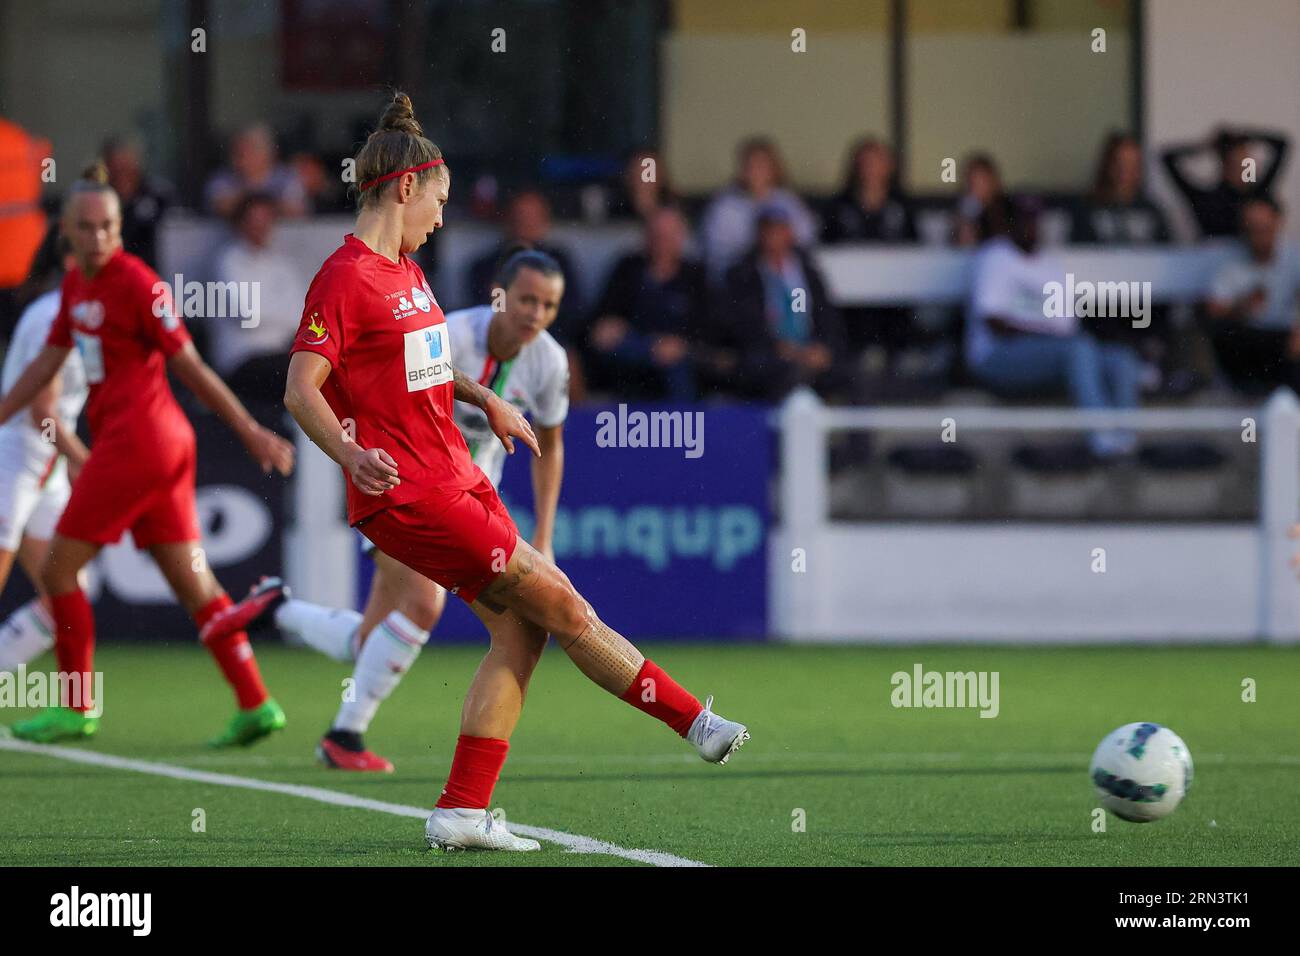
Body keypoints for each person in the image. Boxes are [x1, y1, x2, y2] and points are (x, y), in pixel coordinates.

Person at [274, 92, 747, 852]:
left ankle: (462, 811)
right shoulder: (346, 277)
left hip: (461, 478)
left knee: (523, 635)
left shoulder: (408, 273)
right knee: (563, 604)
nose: (440, 215)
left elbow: (425, 371)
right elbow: (301, 389)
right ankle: (696, 720)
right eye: (439, 199)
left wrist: (483, 394)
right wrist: (353, 454)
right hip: (415, 493)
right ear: (405, 188)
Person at [206, 248, 571, 772]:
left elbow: (550, 446)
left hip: (464, 500)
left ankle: (277, 609)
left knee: (369, 642)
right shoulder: (448, 332)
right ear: (500, 294)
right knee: (424, 605)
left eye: (549, 305)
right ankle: (345, 735)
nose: (536, 314)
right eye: (527, 299)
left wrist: (548, 532)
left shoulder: (550, 361)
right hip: (401, 482)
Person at [0, 162, 296, 745]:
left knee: (58, 569)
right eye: (87, 227)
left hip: (139, 445)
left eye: (108, 226)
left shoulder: (138, 284)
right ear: (67, 231)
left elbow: (191, 366)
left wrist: (246, 429)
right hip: (157, 449)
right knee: (193, 582)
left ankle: (76, 706)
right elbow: (45, 366)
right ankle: (256, 702)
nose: (99, 237)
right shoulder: (76, 289)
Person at [965, 197, 1140, 458]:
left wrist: (1061, 340)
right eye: (1024, 218)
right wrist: (1049, 336)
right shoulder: (996, 256)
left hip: (1052, 355)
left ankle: (1126, 439)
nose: (1031, 225)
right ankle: (1101, 437)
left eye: (1035, 219)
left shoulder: (1049, 263)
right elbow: (996, 325)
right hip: (996, 356)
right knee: (1077, 350)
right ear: (1010, 223)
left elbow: (1066, 325)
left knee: (1121, 360)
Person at [0, 234, 88, 673]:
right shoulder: (52, 315)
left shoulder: (82, 315)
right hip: (13, 458)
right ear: (71, 262)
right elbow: (41, 412)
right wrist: (87, 460)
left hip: (45, 468)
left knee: (67, 594)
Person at [712, 205, 849, 402]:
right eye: (768, 230)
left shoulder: (807, 275)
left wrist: (822, 347)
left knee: (854, 375)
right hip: (767, 355)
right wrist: (780, 347)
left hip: (809, 351)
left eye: (779, 229)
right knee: (788, 371)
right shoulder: (743, 275)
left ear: (790, 233)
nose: (774, 236)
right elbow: (743, 324)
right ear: (759, 234)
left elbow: (825, 318)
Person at [583, 205, 708, 401]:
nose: (662, 242)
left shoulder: (696, 276)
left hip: (680, 355)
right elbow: (604, 317)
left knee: (677, 364)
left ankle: (680, 426)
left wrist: (682, 344)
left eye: (668, 236)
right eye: (656, 235)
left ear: (681, 238)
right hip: (635, 348)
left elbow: (709, 326)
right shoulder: (627, 268)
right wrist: (610, 324)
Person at [210, 192, 308, 402]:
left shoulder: (282, 264)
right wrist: (282, 311)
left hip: (282, 355)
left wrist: (265, 311)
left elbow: (302, 317)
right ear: (240, 224)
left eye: (266, 220)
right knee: (301, 379)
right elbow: (247, 315)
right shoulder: (227, 261)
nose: (260, 227)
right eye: (254, 220)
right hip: (241, 361)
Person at [1204, 197, 1300, 395]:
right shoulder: (1232, 264)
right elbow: (1214, 310)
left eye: (1264, 228)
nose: (1259, 236)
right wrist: (1242, 307)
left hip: (1288, 341)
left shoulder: (1294, 258)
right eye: (1253, 229)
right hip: (1253, 344)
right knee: (1225, 334)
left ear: (1277, 223)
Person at [700, 137, 818, 285]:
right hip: (737, 282)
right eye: (751, 166)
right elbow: (715, 253)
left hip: (782, 278)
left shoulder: (788, 202)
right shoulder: (724, 206)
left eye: (762, 165)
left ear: (774, 169)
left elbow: (806, 239)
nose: (756, 172)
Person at [466, 189, 582, 333]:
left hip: (552, 336)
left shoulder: (559, 262)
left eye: (534, 217)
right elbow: (487, 313)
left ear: (545, 221)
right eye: (520, 216)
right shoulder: (485, 267)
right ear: (507, 219)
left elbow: (571, 311)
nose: (526, 223)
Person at [1161, 126, 1290, 238]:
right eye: (1238, 164)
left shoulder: (1257, 194)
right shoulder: (1207, 200)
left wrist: (1244, 136)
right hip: (1215, 262)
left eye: (1248, 163)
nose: (1245, 169)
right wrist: (1207, 146)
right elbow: (1168, 158)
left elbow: (1282, 144)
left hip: (1252, 264)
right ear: (1225, 167)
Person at [821, 137, 917, 244]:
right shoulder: (839, 208)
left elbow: (916, 247)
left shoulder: (902, 207)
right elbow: (825, 247)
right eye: (866, 163)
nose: (871, 170)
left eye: (876, 163)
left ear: (890, 167)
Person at [205, 122, 308, 220]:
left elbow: (295, 210)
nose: (236, 160)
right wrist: (271, 203)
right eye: (234, 153)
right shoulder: (221, 178)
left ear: (266, 154)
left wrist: (243, 202)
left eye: (243, 153)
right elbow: (222, 207)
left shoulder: (287, 177)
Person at [101, 134, 175, 269]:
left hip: (152, 275)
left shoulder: (158, 195)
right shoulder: (100, 201)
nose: (121, 175)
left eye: (126, 166)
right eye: (116, 169)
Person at [952, 153, 1011, 247]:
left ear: (993, 180)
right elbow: (964, 244)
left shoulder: (1008, 208)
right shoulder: (966, 207)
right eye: (972, 181)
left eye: (981, 179)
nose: (976, 185)